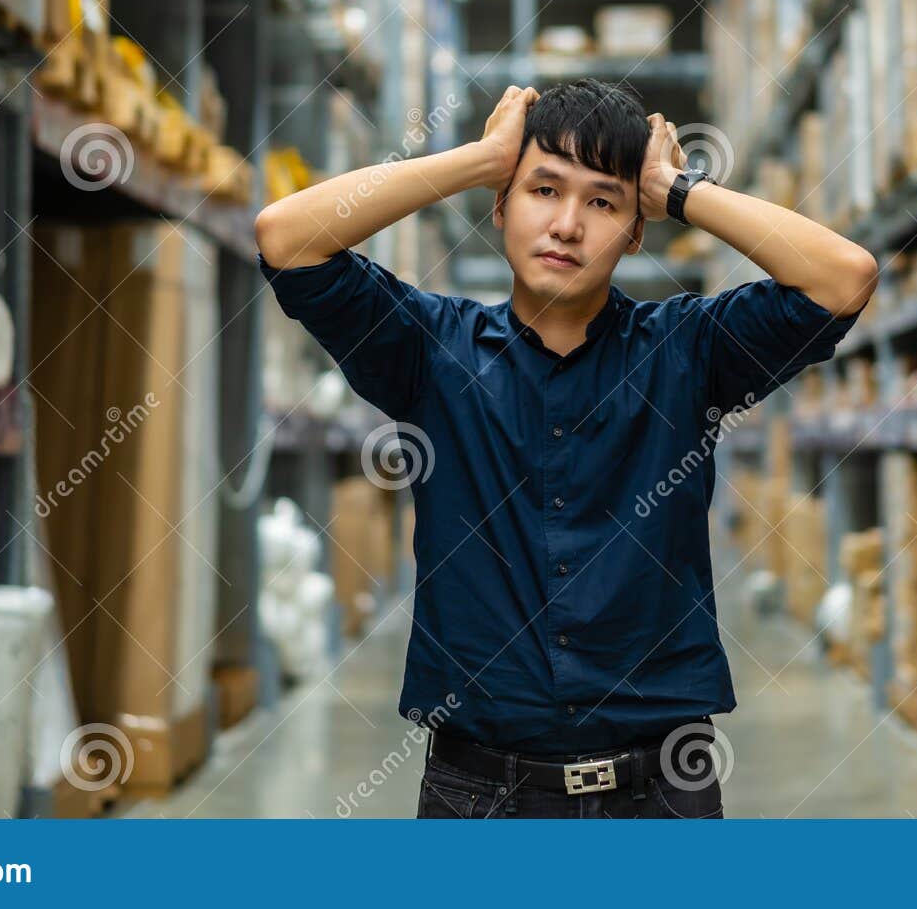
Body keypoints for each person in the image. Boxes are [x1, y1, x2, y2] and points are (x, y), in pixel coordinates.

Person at [255, 78, 877, 818]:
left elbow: (844, 278)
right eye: (542, 189)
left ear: (636, 228)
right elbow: (285, 237)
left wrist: (675, 188)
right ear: (500, 205)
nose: (567, 225)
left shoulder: (688, 351)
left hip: (659, 796)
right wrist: (479, 158)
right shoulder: (429, 351)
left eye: (603, 202)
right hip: (477, 797)